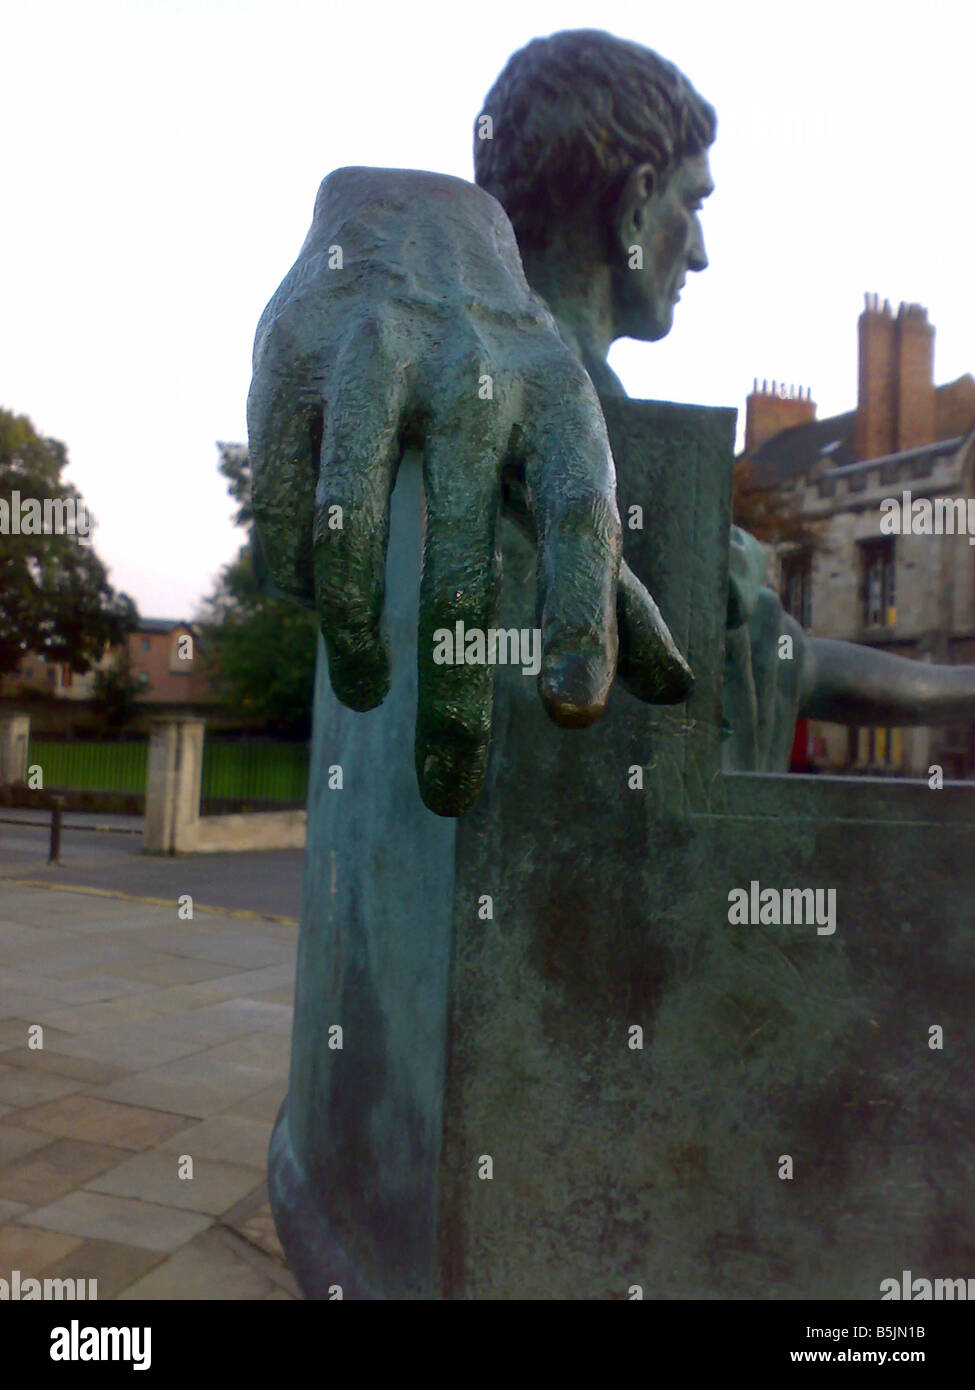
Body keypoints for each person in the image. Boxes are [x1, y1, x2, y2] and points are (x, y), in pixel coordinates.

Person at [248, 28, 975, 809]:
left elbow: (781, 660)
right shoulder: (556, 440)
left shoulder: (428, 385)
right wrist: (407, 205)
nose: (698, 254)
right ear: (634, 202)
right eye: (690, 204)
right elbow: (788, 662)